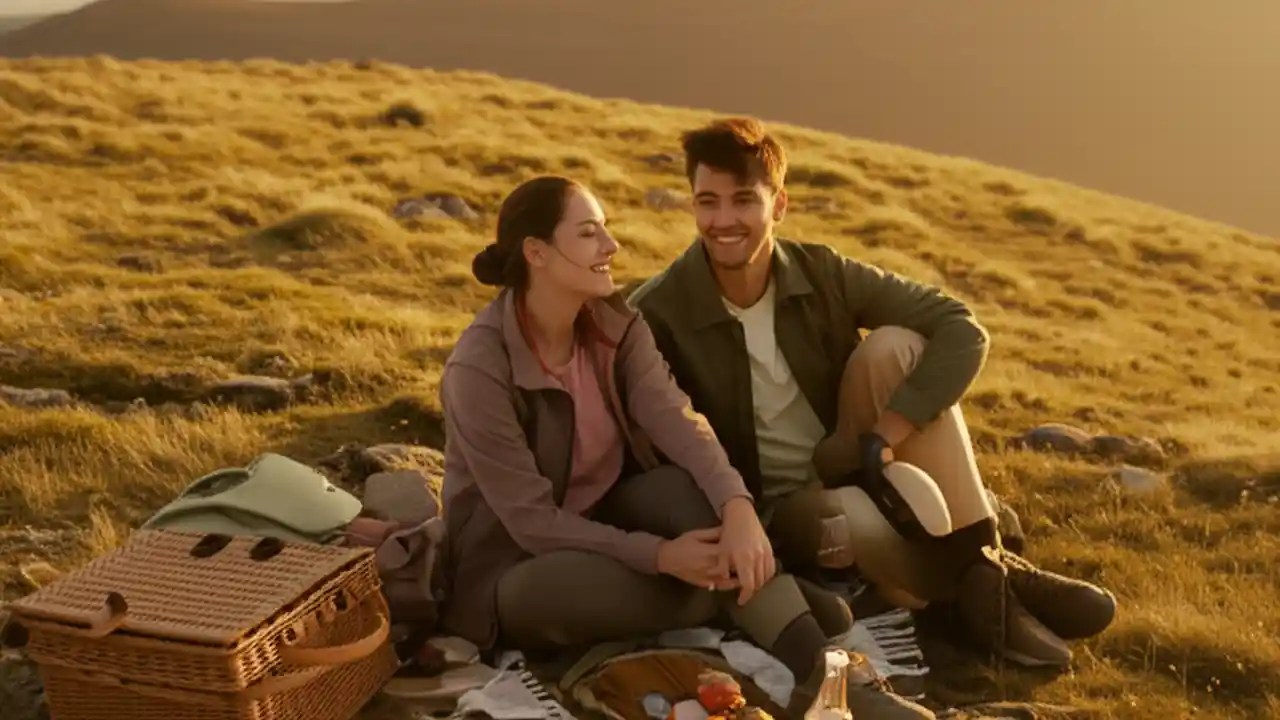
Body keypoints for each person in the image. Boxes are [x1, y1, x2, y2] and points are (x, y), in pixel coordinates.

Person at [437, 175, 935, 719]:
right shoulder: (480, 368)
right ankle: (771, 596)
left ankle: (820, 674)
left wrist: (737, 507)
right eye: (588, 233)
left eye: (605, 229)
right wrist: (662, 555)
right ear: (537, 253)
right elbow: (532, 522)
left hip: (611, 512)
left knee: (685, 491)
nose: (611, 246)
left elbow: (679, 420)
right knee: (661, 584)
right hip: (518, 562)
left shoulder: (614, 325)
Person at [628, 117, 1118, 669]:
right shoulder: (659, 310)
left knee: (897, 347)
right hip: (779, 506)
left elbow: (960, 328)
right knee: (854, 515)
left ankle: (985, 573)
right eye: (707, 202)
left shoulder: (821, 271)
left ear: (779, 205)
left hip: (845, 455)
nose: (723, 221)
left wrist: (887, 431)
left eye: (743, 201)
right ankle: (988, 586)